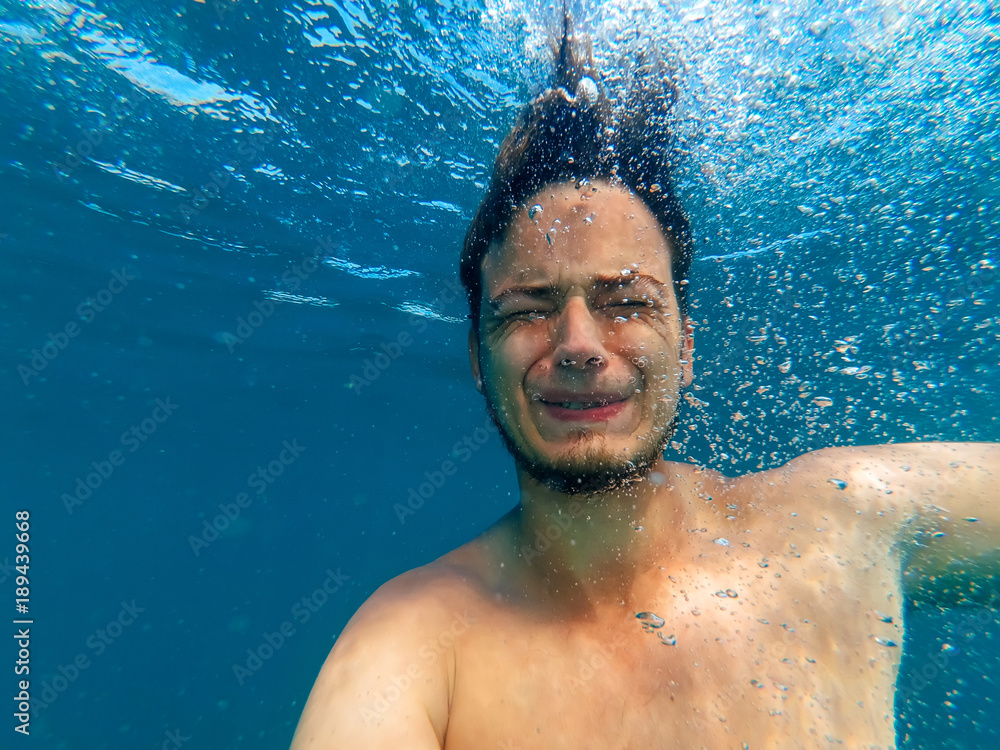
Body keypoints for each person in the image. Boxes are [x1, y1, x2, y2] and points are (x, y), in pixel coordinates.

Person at [290, 20, 999, 750]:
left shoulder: (844, 524)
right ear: (477, 356)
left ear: (686, 346)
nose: (578, 346)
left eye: (626, 302)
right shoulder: (415, 645)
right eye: (529, 309)